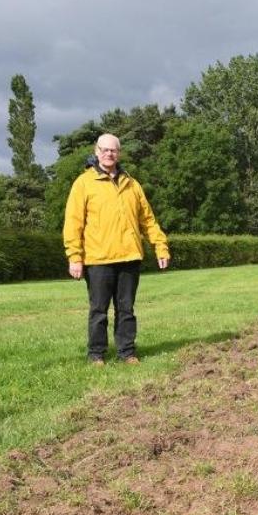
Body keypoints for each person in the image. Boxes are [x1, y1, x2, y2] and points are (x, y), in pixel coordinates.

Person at [63, 133, 170, 365]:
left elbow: (148, 220)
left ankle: (127, 352)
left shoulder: (132, 184)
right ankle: (96, 355)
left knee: (126, 309)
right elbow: (73, 223)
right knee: (98, 311)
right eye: (105, 149)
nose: (109, 153)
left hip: (130, 256)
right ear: (96, 151)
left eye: (113, 150)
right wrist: (75, 257)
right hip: (98, 259)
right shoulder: (83, 183)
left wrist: (160, 247)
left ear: (119, 153)